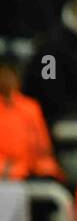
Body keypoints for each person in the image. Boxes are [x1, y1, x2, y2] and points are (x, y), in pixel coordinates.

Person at [0, 52, 62, 181]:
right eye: (3, 74)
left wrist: (44, 165)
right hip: (6, 171)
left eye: (10, 74)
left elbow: (43, 147)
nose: (7, 79)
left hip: (30, 170)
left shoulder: (30, 107)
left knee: (50, 174)